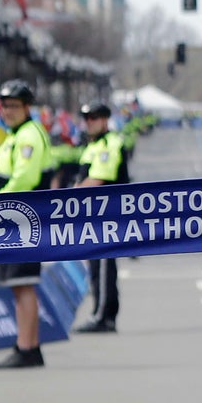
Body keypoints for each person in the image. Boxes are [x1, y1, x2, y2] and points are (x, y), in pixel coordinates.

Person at [0, 79, 54, 369]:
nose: (8, 111)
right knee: (19, 285)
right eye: (4, 106)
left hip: (19, 217)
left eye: (14, 106)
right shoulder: (15, 134)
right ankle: (28, 346)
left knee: (23, 284)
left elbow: (24, 179)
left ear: (27, 107)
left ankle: (27, 348)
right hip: (14, 216)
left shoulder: (28, 135)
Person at [74, 101, 129, 332]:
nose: (89, 122)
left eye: (93, 118)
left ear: (105, 119)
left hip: (108, 214)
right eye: (86, 118)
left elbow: (98, 178)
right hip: (93, 215)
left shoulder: (110, 143)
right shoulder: (92, 145)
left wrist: (70, 195)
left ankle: (103, 316)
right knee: (96, 267)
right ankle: (100, 311)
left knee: (105, 267)